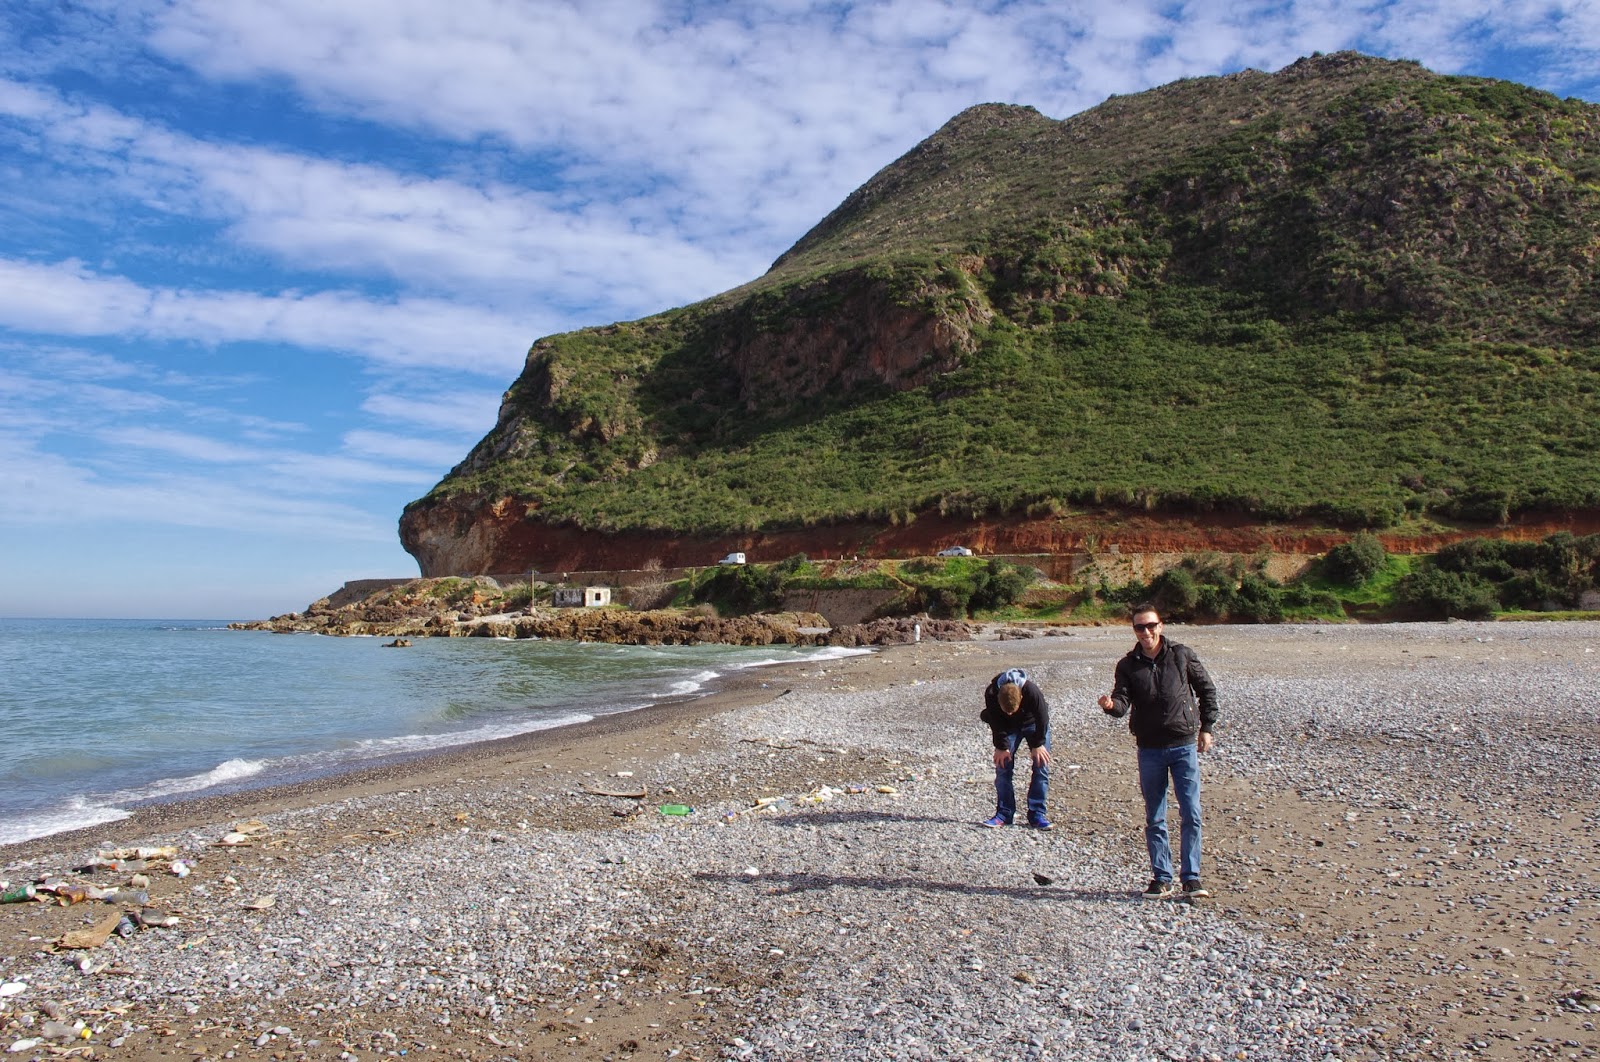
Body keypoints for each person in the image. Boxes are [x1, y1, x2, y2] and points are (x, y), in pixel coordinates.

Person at [1097, 606, 1219, 900]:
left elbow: (1207, 690)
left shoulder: (1181, 655)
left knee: (1191, 811)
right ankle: (1161, 877)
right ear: (1134, 631)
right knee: (1155, 815)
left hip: (1183, 744)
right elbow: (1123, 702)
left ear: (1160, 626)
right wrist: (1111, 707)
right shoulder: (1127, 665)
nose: (1146, 632)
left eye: (1150, 626)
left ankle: (1191, 878)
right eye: (1140, 628)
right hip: (1149, 748)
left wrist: (1207, 727)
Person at [979, 668, 1053, 829]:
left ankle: (1037, 814)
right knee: (1002, 766)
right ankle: (1004, 814)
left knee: (1041, 765)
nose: (1011, 713)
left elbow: (1043, 719)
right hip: (1008, 727)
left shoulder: (1031, 691)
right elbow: (995, 721)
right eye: (1008, 711)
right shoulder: (991, 693)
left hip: (1033, 723)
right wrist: (1001, 746)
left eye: (1013, 710)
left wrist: (1038, 744)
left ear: (1021, 697)